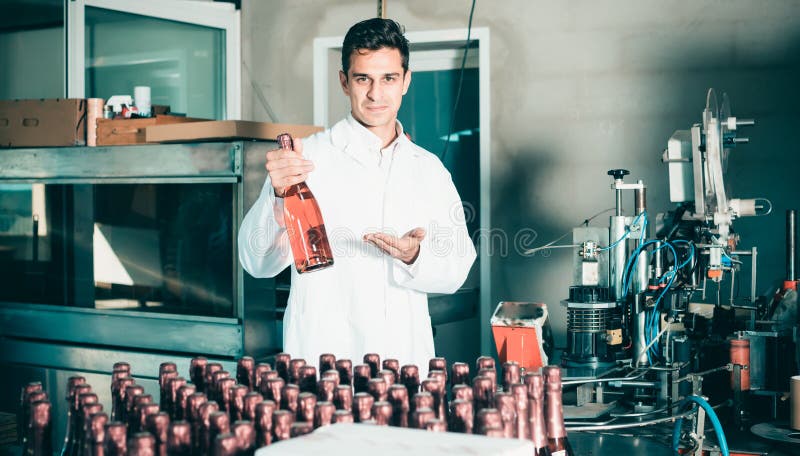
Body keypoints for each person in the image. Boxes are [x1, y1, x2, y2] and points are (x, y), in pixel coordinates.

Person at [238, 18, 476, 372]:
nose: (376, 94)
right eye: (363, 78)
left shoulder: (428, 170)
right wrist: (276, 201)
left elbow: (458, 267)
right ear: (344, 82)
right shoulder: (305, 160)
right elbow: (257, 262)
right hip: (323, 362)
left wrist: (415, 256)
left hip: (403, 363)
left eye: (389, 79)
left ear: (406, 81)